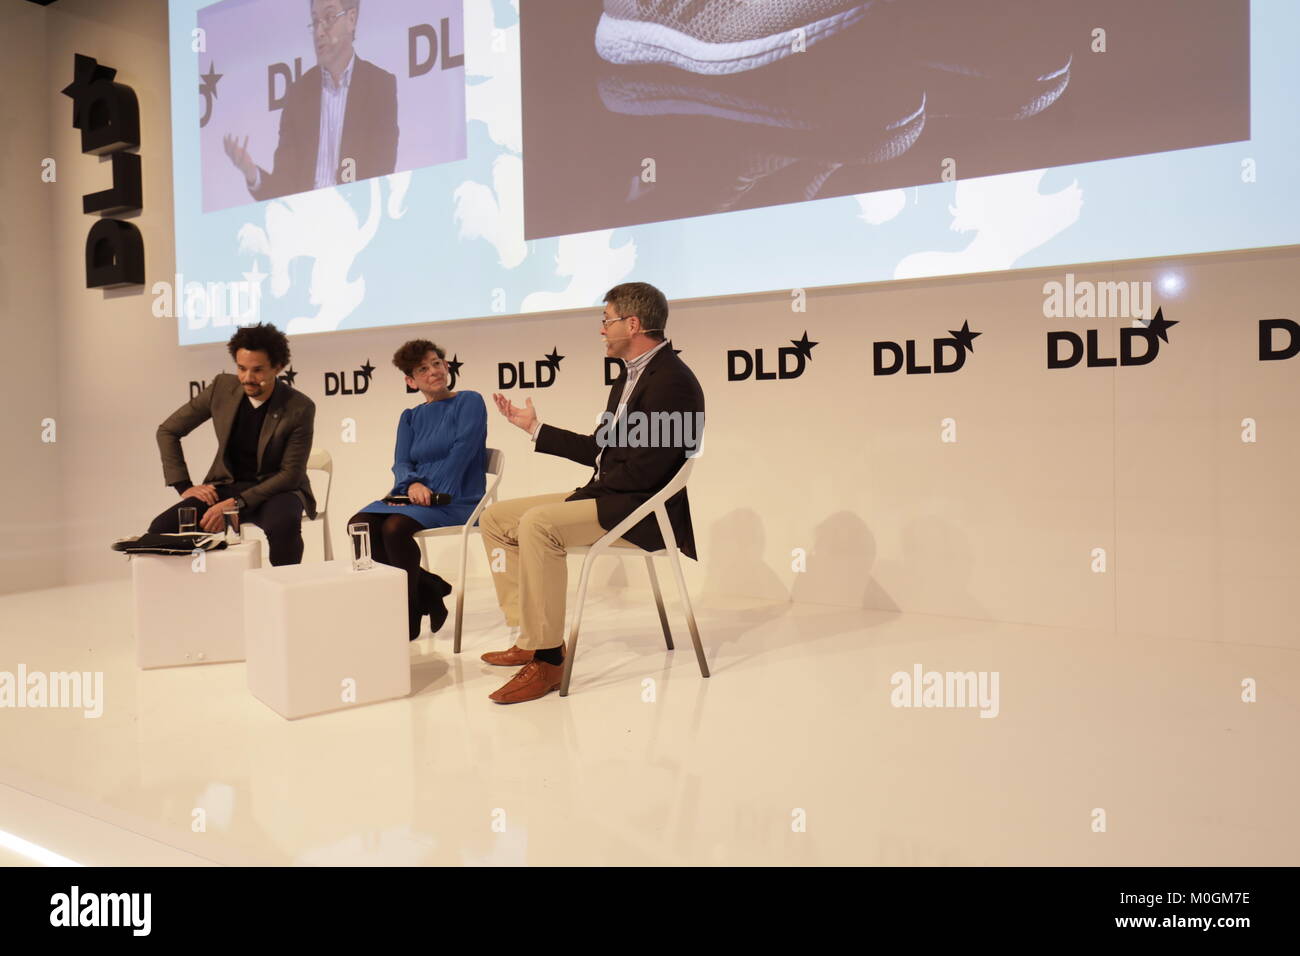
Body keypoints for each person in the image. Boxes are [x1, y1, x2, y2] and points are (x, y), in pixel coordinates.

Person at [481, 282, 704, 704]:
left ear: (633, 324)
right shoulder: (631, 378)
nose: (602, 329)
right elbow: (599, 451)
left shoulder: (672, 382)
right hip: (611, 496)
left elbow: (648, 472)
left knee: (539, 524)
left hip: (642, 511)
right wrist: (533, 427)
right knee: (496, 520)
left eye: (607, 320)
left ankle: (549, 661)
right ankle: (532, 636)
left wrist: (583, 498)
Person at [349, 341, 487, 641]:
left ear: (446, 366)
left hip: (458, 498)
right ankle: (429, 589)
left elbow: (464, 450)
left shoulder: (470, 401)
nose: (433, 371)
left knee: (395, 528)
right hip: (417, 496)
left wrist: (436, 492)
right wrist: (411, 484)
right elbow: (401, 461)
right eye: (423, 369)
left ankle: (408, 615)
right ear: (411, 381)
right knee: (358, 525)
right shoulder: (410, 417)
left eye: (437, 363)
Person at [151, 323, 316, 566]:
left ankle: (284, 594)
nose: (247, 378)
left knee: (283, 526)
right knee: (161, 529)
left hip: (276, 491)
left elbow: (290, 475)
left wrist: (236, 504)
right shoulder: (222, 388)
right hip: (226, 487)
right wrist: (184, 486)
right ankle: (195, 596)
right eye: (241, 368)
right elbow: (168, 431)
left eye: (258, 370)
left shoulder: (299, 407)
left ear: (278, 367)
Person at [221, 0, 399, 201]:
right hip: (306, 221)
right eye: (315, 22)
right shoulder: (298, 95)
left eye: (329, 18)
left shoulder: (379, 85)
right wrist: (252, 173)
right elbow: (284, 187)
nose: (319, 32)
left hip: (356, 215)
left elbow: (382, 170)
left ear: (351, 19)